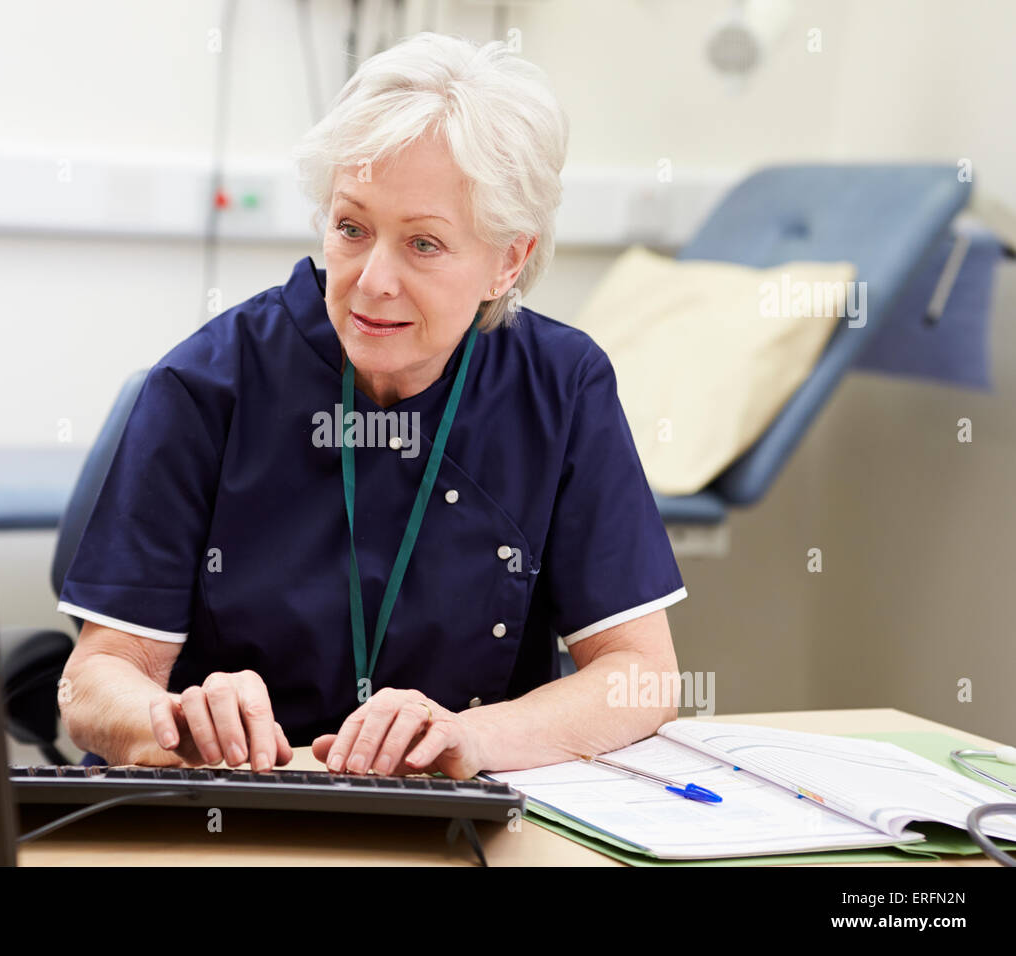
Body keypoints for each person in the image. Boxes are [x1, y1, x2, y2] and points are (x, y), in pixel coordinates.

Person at [56, 32, 686, 780]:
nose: (371, 281)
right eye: (352, 229)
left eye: (423, 244)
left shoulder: (560, 387)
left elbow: (639, 674)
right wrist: (168, 727)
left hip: (460, 815)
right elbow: (92, 679)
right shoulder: (208, 384)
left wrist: (473, 739)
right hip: (242, 809)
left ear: (508, 259)